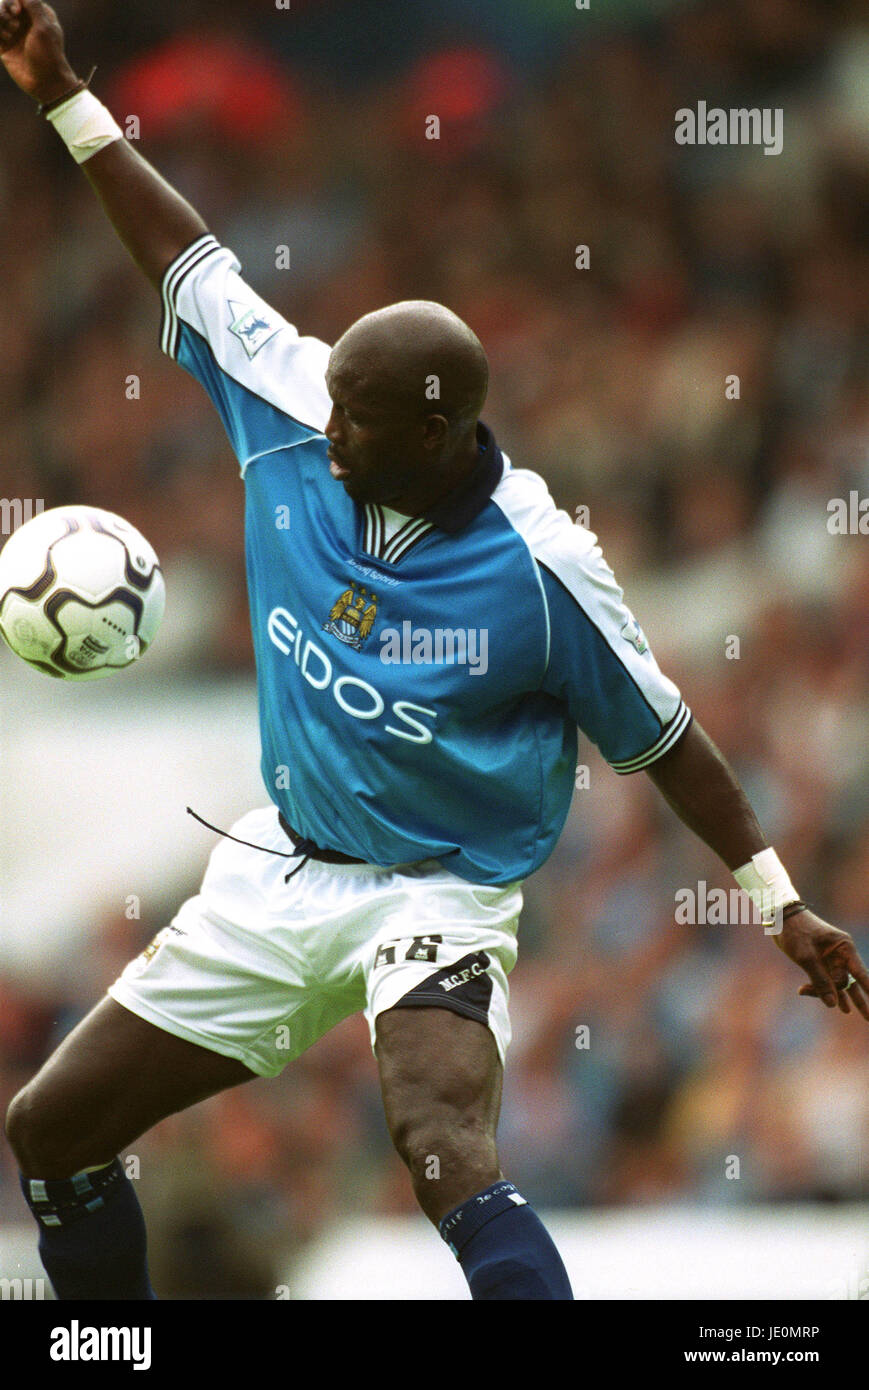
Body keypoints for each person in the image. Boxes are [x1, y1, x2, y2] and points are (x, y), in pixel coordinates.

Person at [2, 0, 867, 1304]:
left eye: (353, 419)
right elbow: (181, 256)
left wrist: (775, 900)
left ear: (438, 431)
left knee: (441, 1145)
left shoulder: (542, 571)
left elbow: (669, 739)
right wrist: (63, 95)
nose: (322, 430)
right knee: (51, 1130)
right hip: (281, 868)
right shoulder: (296, 400)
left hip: (439, 891)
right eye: (326, 403)